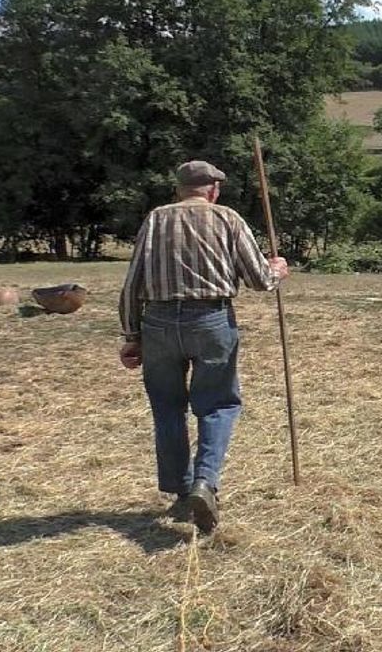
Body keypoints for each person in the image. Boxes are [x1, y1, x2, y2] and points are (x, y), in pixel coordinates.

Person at [119, 160, 289, 532]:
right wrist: (278, 268)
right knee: (218, 404)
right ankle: (205, 482)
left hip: (158, 323)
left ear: (179, 189)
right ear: (213, 190)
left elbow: (133, 282)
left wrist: (132, 335)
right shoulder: (227, 219)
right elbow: (260, 279)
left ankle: (182, 493)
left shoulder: (155, 219)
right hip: (212, 321)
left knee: (167, 408)